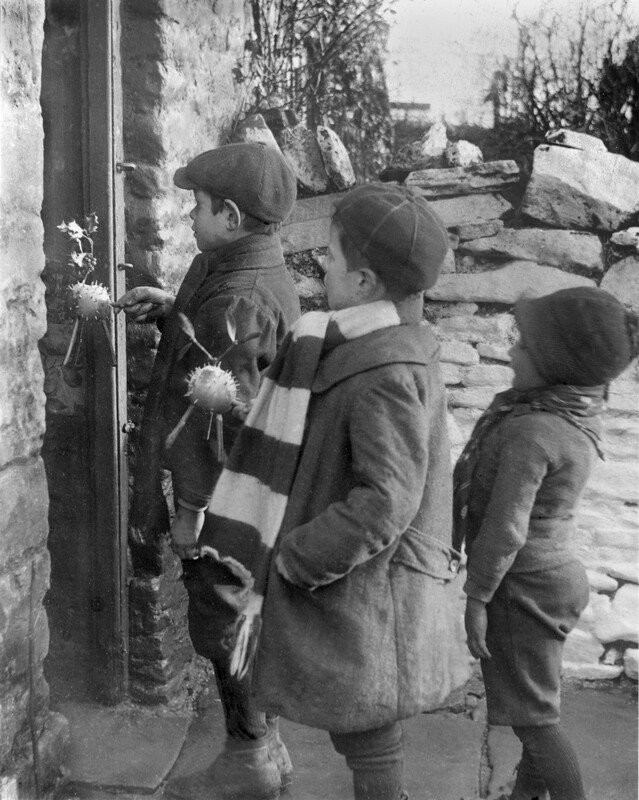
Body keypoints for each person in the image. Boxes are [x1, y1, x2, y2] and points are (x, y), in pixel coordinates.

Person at [198, 182, 470, 800]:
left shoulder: (385, 375)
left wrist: (294, 558)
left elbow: (386, 501)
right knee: (366, 734)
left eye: (334, 256)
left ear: (367, 282)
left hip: (370, 594)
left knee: (370, 732)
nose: (324, 264)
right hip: (363, 593)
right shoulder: (363, 345)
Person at [116, 142, 301, 800]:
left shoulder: (239, 296)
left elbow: (223, 419)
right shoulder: (233, 271)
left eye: (195, 207)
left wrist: (192, 511)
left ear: (228, 213)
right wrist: (172, 313)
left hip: (226, 501)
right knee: (228, 618)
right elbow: (222, 359)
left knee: (223, 620)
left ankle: (251, 756)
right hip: (239, 497)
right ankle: (261, 746)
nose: (187, 217)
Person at [453, 287, 639, 800]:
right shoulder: (573, 416)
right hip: (554, 578)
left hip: (522, 587)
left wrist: (476, 597)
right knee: (538, 709)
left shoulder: (531, 430)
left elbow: (505, 528)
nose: (512, 352)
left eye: (525, 347)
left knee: (535, 724)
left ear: (556, 365)